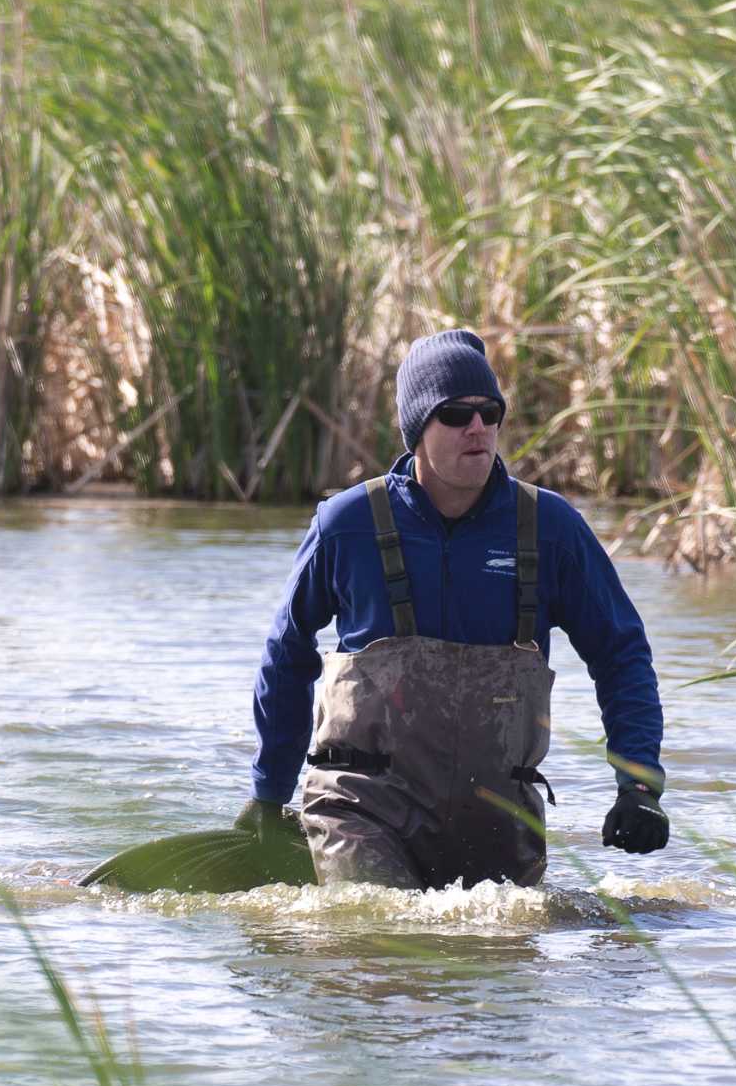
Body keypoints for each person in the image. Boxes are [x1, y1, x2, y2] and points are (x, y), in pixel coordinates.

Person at [241, 329, 667, 887]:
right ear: (417, 427)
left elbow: (621, 655)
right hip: (363, 810)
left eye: (490, 412)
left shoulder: (550, 528)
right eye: (456, 414)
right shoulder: (346, 525)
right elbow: (287, 653)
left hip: (498, 819)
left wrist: (637, 784)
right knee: (376, 937)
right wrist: (269, 793)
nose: (478, 428)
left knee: (499, 954)